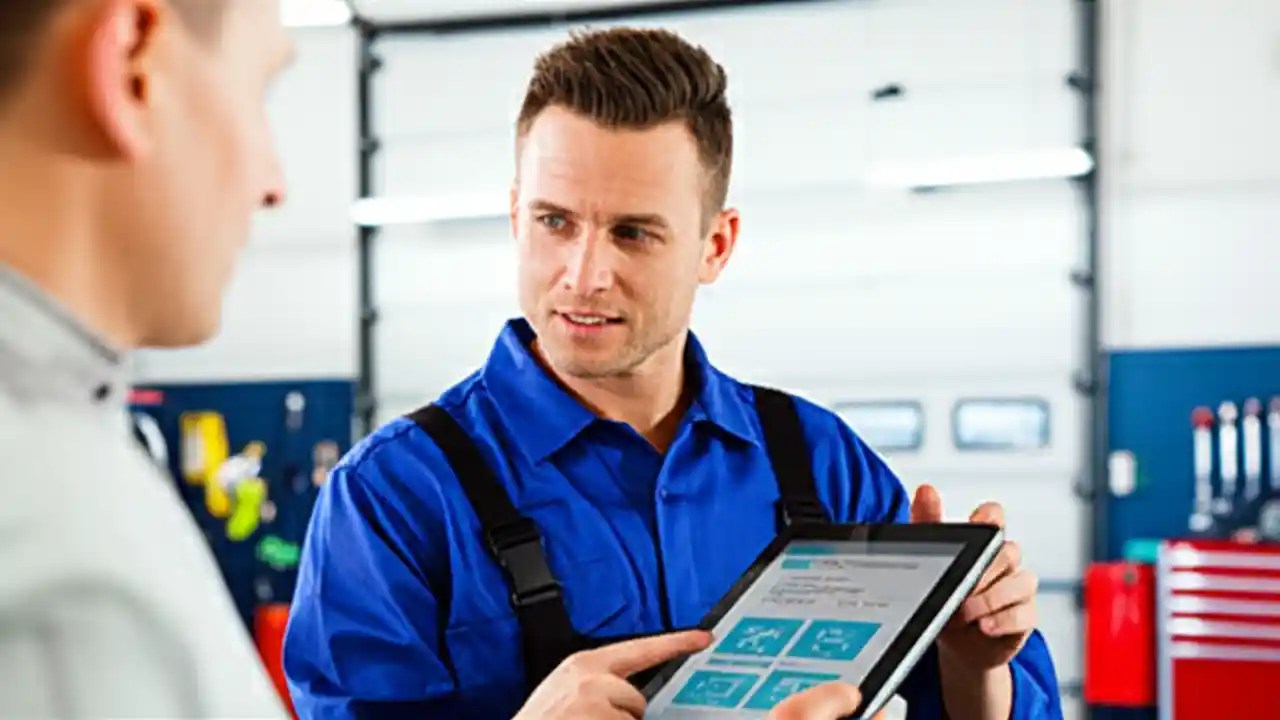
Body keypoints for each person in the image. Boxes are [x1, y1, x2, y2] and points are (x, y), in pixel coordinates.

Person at [282, 25, 1062, 720]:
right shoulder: (393, 498)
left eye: (633, 233)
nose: (584, 274)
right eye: (555, 222)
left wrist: (973, 663)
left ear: (714, 246)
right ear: (517, 215)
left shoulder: (822, 464)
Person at [0, 0, 294, 716]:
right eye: (259, 92)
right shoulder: (63, 559)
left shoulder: (80, 446)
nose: (273, 180)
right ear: (134, 67)